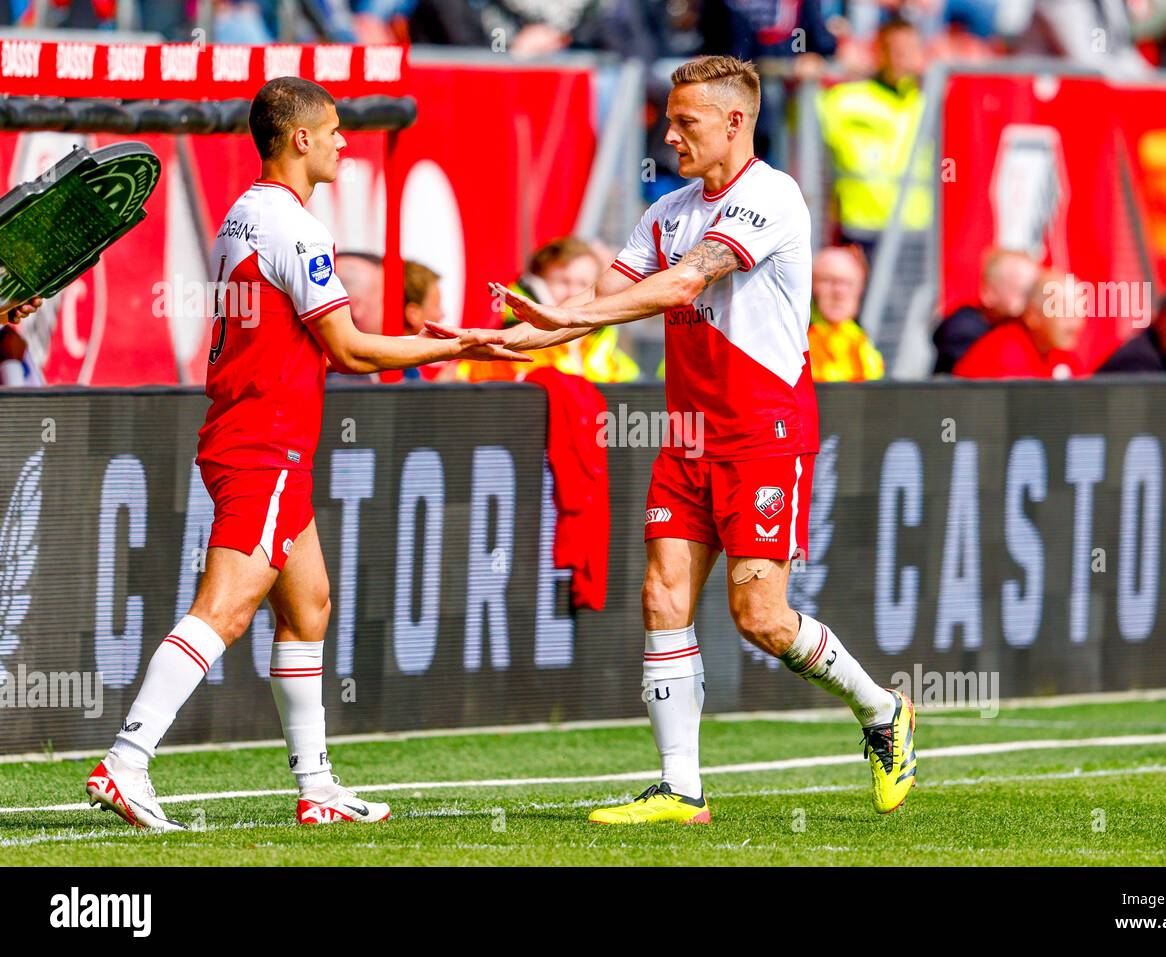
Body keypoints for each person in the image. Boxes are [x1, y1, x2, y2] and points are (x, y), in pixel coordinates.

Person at [85, 76, 528, 831]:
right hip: (262, 442)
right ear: (300, 139)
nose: (343, 143)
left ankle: (317, 786)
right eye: (333, 132)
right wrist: (449, 340)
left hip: (260, 435)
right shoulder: (292, 226)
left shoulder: (246, 215)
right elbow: (349, 348)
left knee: (310, 602)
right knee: (222, 611)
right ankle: (125, 760)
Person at [486, 55, 916, 823]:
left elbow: (684, 283)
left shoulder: (773, 196)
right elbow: (603, 300)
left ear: (734, 121)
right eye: (668, 118)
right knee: (661, 595)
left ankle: (882, 711)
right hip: (687, 432)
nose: (669, 133)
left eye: (685, 121)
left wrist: (564, 321)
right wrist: (489, 339)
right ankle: (681, 787)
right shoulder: (668, 209)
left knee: (760, 617)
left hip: (764, 432)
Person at [819, 17, 931, 263]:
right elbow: (803, 124)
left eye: (910, 51)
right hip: (861, 226)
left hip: (915, 227)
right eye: (895, 50)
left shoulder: (930, 102)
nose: (902, 59)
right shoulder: (845, 99)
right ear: (879, 52)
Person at [462, 237, 640, 384]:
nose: (572, 292)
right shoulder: (503, 351)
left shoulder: (611, 354)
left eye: (583, 284)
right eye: (563, 282)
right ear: (537, 286)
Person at [953, 270, 1085, 379]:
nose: (1075, 323)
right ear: (1033, 316)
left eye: (1079, 311)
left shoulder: (1061, 353)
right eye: (1064, 312)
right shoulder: (1005, 355)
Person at [932, 248, 1038, 375]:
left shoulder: (1027, 329)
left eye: (1034, 289)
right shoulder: (964, 329)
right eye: (1020, 289)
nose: (1031, 298)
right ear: (989, 292)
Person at [808, 245, 884, 381]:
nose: (839, 292)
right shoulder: (795, 343)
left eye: (848, 283)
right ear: (810, 285)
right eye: (829, 281)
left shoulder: (865, 346)